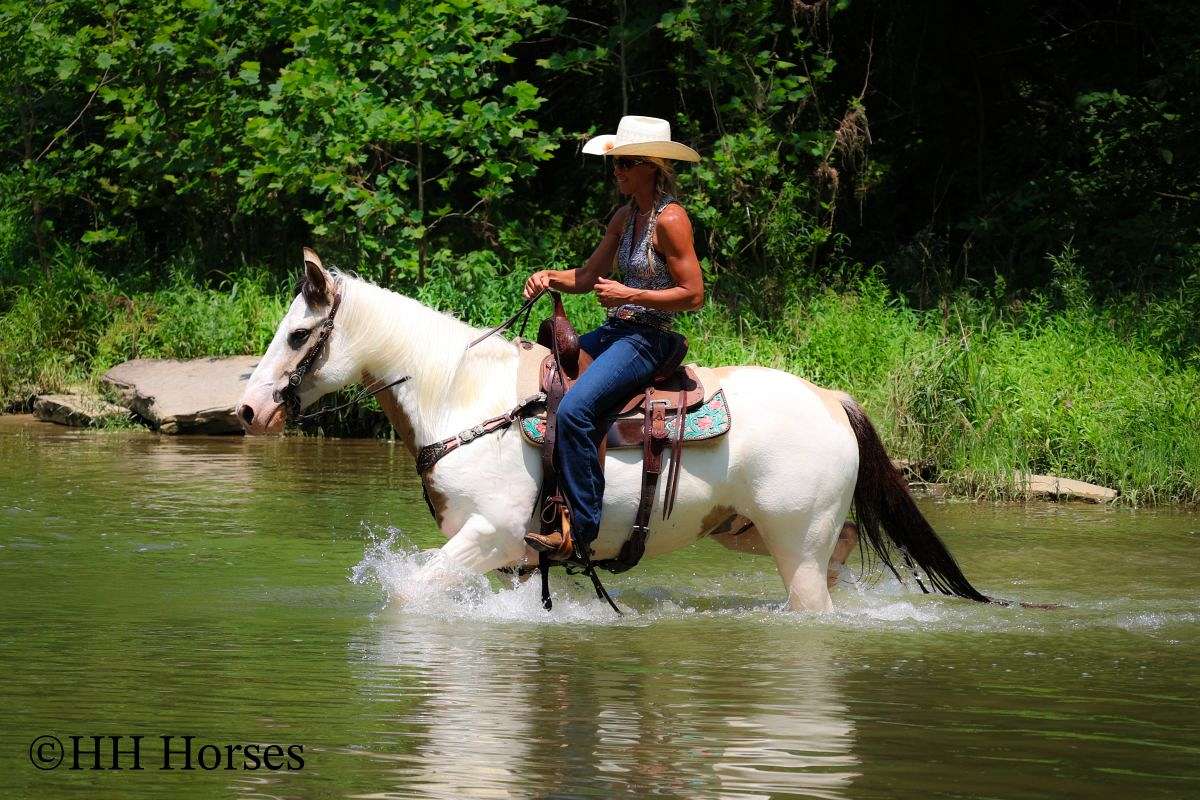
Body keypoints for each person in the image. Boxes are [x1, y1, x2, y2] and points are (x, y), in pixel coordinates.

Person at [522, 116, 704, 559]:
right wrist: (549, 276)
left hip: (649, 337)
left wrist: (630, 293)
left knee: (577, 410)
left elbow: (693, 294)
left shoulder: (671, 219)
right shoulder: (625, 216)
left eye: (625, 164)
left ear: (650, 166)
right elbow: (587, 275)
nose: (616, 172)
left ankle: (581, 530)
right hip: (617, 330)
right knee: (543, 380)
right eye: (615, 164)